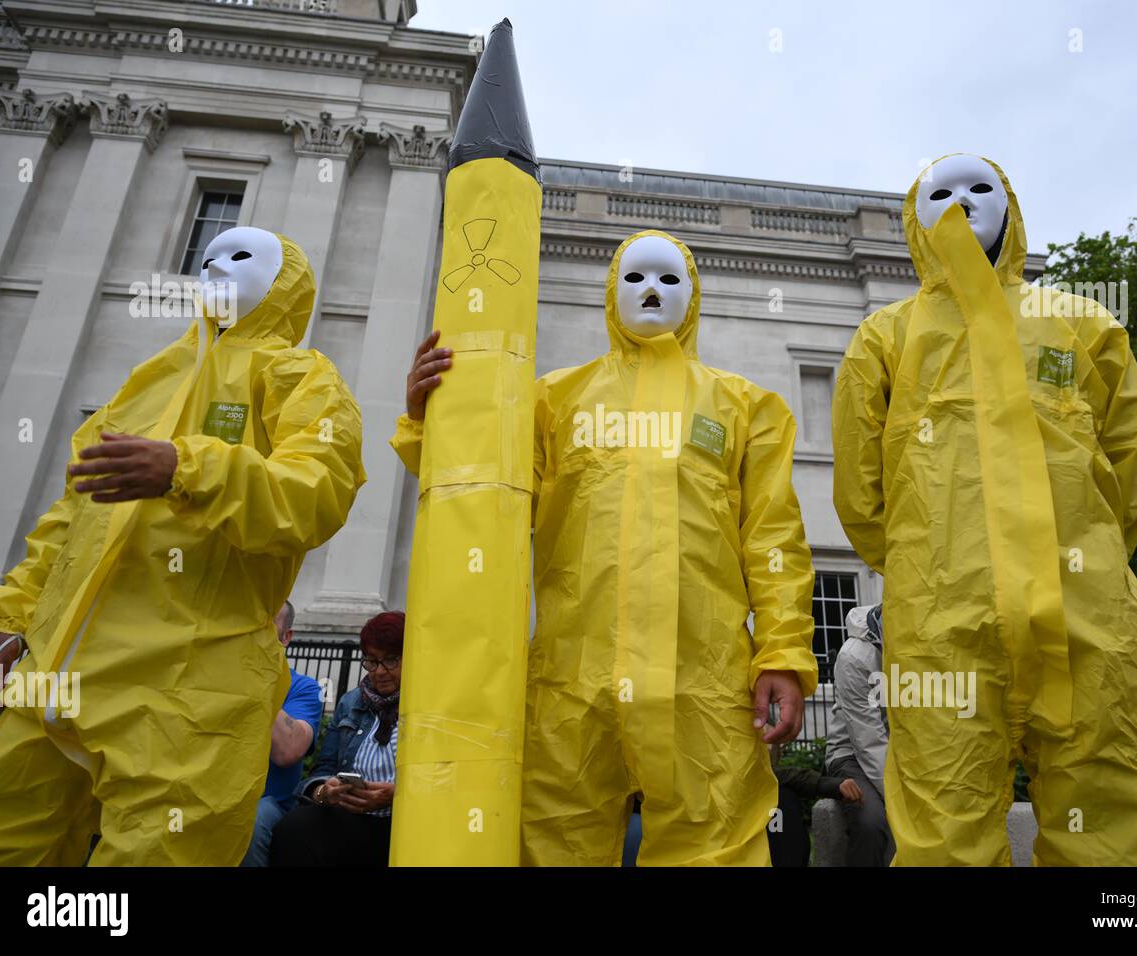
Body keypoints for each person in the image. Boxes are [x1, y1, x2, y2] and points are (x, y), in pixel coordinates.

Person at [396, 230, 818, 865]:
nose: (652, 290)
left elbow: (774, 541)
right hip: (573, 685)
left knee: (715, 851)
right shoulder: (552, 401)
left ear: (694, 298)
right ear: (610, 292)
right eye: (638, 277)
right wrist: (434, 421)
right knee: (558, 847)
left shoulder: (747, 409)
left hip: (704, 686)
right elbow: (490, 501)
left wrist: (782, 655)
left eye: (671, 279)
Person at [0, 227, 365, 865]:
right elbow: (70, 518)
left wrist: (187, 469)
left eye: (241, 257)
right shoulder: (147, 381)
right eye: (208, 255)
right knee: (2, 841)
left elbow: (316, 492)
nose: (215, 265)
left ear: (283, 284)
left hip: (187, 693)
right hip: (55, 678)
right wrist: (10, 616)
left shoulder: (301, 378)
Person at [833, 154, 1137, 866]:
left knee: (1111, 816)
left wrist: (1095, 561)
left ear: (1012, 206)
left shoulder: (1084, 325)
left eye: (979, 188)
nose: (962, 203)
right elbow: (861, 488)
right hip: (945, 629)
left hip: (1088, 619)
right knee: (943, 829)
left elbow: (1130, 456)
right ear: (915, 219)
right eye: (942, 193)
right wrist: (926, 568)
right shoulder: (886, 339)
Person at [270, 611, 404, 867]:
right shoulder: (352, 702)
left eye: (391, 660)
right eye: (372, 661)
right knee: (294, 828)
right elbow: (323, 770)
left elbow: (445, 780)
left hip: (406, 821)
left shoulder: (428, 708)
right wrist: (325, 792)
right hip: (351, 817)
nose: (379, 671)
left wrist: (400, 796)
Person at [241, 601, 323, 866]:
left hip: (266, 801)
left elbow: (287, 752)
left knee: (250, 822)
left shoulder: (303, 688)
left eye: (265, 625)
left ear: (286, 637)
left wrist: (259, 677)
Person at [824, 604, 895, 865]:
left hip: (899, 751)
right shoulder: (854, 657)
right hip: (851, 755)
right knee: (871, 823)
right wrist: (899, 801)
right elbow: (869, 743)